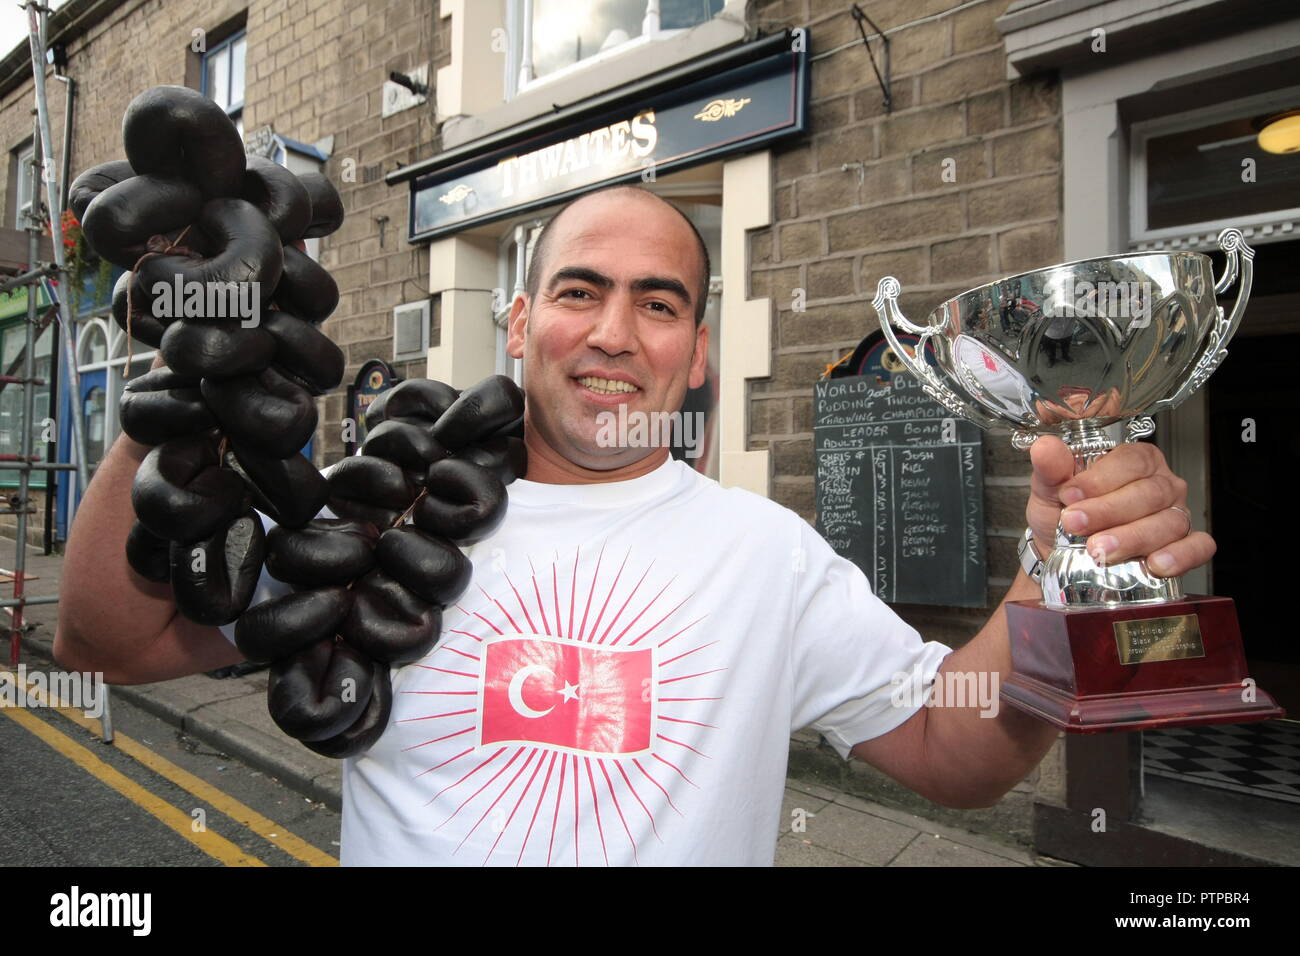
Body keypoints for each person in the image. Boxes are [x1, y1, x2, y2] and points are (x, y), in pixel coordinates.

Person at [54, 184, 1212, 866]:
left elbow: (953, 746)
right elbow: (109, 643)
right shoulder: (376, 513)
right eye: (578, 290)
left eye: (657, 303)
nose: (614, 333)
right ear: (520, 324)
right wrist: (184, 377)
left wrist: (1053, 575)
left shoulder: (769, 557)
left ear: (697, 351)